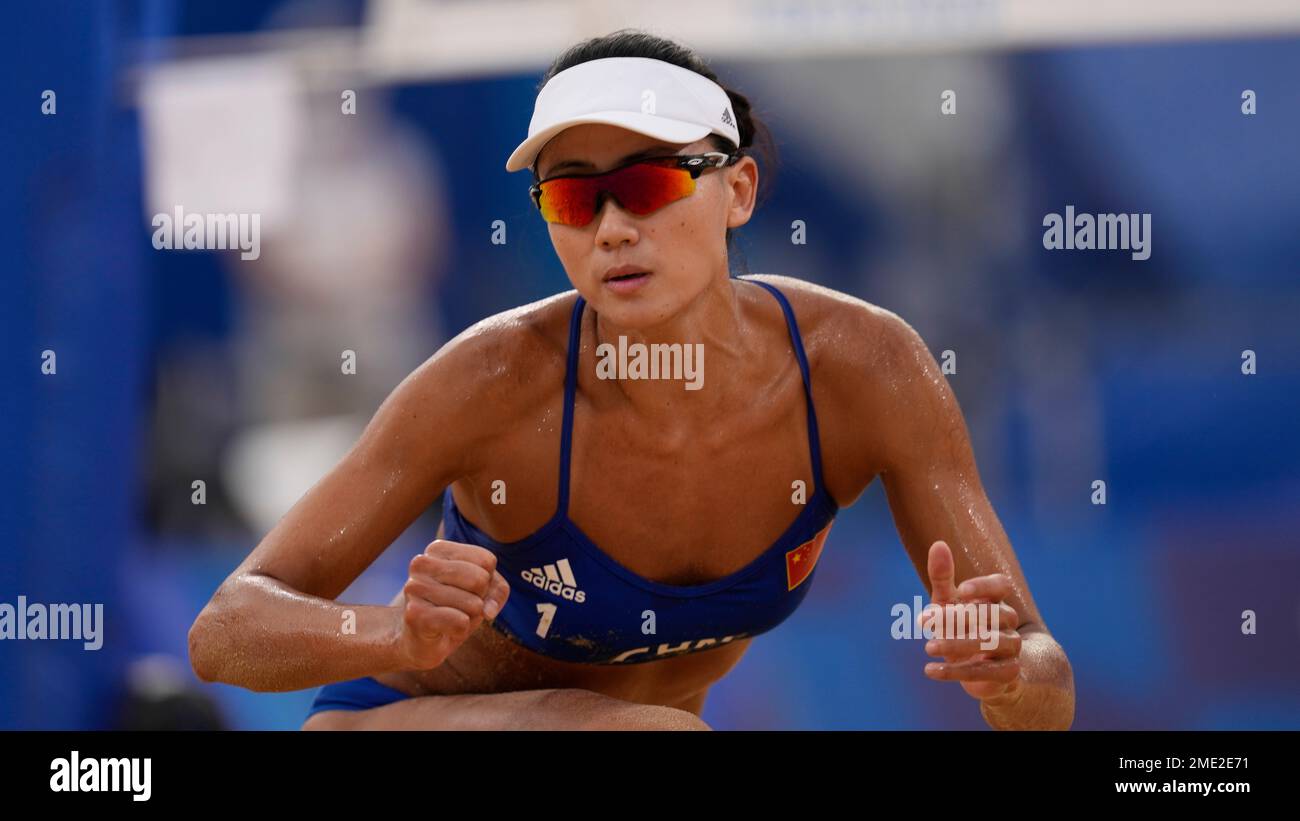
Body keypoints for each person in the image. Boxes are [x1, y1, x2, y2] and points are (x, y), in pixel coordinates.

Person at [188, 29, 1074, 731]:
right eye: (573, 199)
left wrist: (1004, 673)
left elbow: (1048, 691)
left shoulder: (867, 368)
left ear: (740, 191)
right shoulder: (493, 380)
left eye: (647, 184)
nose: (611, 229)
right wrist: (393, 632)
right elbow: (226, 631)